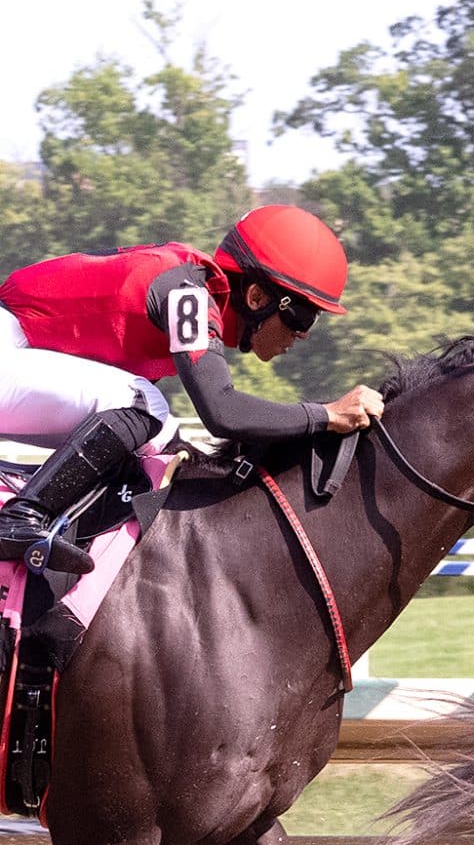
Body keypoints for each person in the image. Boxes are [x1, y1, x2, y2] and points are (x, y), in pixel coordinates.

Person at [0, 204, 385, 574]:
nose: (301, 334)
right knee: (146, 406)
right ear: (256, 297)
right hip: (8, 348)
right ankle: (22, 517)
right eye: (302, 315)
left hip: (16, 354)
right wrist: (326, 415)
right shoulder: (189, 293)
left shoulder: (191, 290)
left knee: (163, 438)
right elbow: (222, 412)